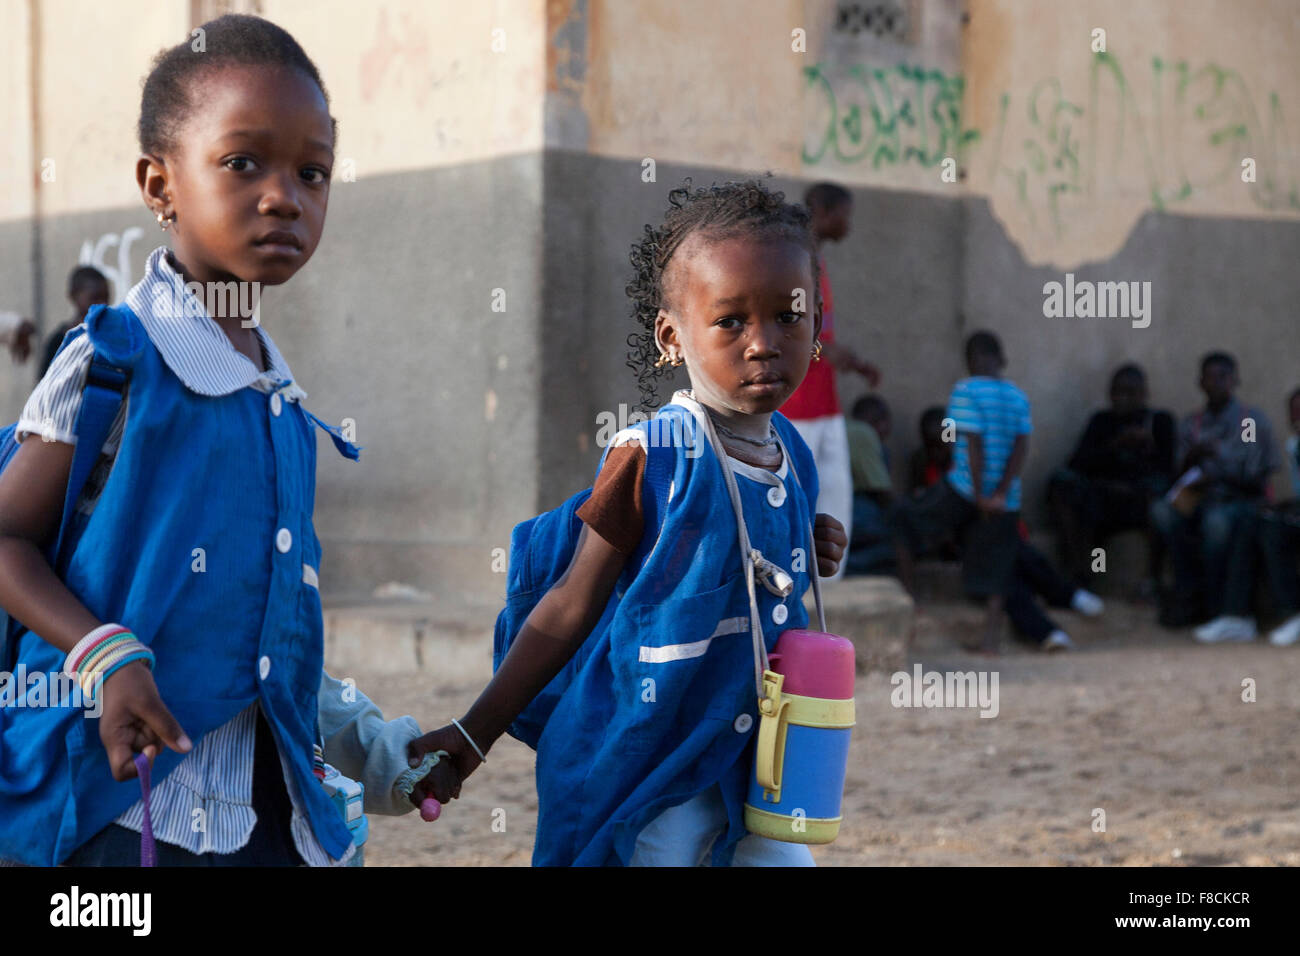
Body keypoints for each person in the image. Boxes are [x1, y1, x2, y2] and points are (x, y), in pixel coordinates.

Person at [0, 14, 452, 867]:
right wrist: (104, 655)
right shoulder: (115, 362)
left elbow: (269, 628)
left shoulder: (278, 395)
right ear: (159, 183)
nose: (285, 194)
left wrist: (372, 746)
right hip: (120, 811)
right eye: (243, 162)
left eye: (312, 172)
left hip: (262, 813)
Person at [410, 179, 848, 866]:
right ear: (673, 338)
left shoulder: (791, 453)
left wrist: (809, 539)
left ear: (816, 327)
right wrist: (473, 735)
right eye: (731, 321)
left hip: (753, 766)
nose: (763, 342)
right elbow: (570, 604)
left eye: (788, 317)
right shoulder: (652, 457)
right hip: (652, 768)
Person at [905, 398, 1101, 652]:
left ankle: (1064, 599)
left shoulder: (972, 465)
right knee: (1006, 580)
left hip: (992, 535)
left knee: (1021, 557)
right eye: (932, 445)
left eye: (946, 442)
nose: (940, 452)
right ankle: (1049, 629)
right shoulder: (925, 466)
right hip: (963, 545)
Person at [892, 330, 1030, 654]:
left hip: (965, 489)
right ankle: (989, 643)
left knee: (902, 518)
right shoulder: (1017, 396)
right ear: (1002, 359)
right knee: (998, 568)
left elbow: (972, 444)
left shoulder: (966, 391)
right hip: (1005, 499)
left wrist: (981, 495)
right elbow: (1022, 447)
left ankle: (910, 608)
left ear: (970, 361)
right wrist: (1000, 493)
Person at [780, 182, 878, 581]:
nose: (849, 224)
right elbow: (788, 325)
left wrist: (848, 360)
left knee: (835, 493)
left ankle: (827, 584)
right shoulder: (792, 258)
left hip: (826, 403)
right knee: (791, 492)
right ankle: (787, 578)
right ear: (822, 209)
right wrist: (824, 349)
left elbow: (822, 333)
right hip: (797, 404)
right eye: (844, 214)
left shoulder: (817, 261)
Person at [1150, 352, 1278, 635]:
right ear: (1200, 382)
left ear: (1235, 380)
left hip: (1241, 500)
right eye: (1210, 377)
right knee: (1162, 512)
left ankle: (1215, 604)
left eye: (1223, 376)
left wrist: (1219, 473)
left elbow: (1257, 479)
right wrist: (1192, 458)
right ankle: (1186, 592)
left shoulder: (1250, 421)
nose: (1216, 383)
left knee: (1216, 524)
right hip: (1199, 497)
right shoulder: (1191, 423)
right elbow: (1178, 475)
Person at [1047, 364, 1174, 590]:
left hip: (1139, 499)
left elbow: (1169, 470)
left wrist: (1147, 447)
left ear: (1144, 394)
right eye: (1117, 392)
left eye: (1130, 392)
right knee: (1061, 485)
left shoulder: (1160, 422)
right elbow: (1076, 464)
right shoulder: (1102, 421)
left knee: (1158, 502)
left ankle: (1151, 581)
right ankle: (1079, 573)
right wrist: (1115, 445)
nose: (1122, 399)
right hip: (1102, 498)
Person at [1200, 388, 1300, 646]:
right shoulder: (1294, 446)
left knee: (1272, 529)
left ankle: (1292, 613)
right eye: (1294, 412)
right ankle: (1237, 617)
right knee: (1253, 521)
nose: (1297, 417)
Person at [845, 393, 895, 574]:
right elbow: (881, 490)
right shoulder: (862, 433)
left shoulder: (847, 429)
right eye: (882, 421)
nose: (886, 428)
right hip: (852, 508)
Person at [37, 267, 111, 380]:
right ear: (73, 296)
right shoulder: (59, 342)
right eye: (95, 298)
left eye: (106, 297)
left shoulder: (111, 338)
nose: (102, 304)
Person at [908, 405, 953, 496]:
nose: (935, 453)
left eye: (939, 447)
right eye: (930, 447)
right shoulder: (921, 460)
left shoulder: (963, 461)